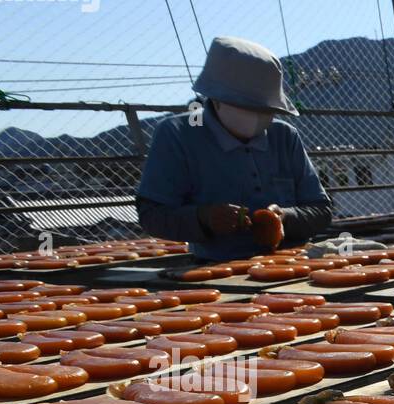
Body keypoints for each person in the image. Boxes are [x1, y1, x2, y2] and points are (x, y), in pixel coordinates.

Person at [136, 36, 331, 259]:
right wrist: (204, 218)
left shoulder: (284, 136)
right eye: (247, 107)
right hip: (217, 266)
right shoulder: (178, 134)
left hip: (293, 260)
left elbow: (321, 210)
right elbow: (152, 215)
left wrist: (286, 216)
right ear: (216, 100)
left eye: (266, 110)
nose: (257, 116)